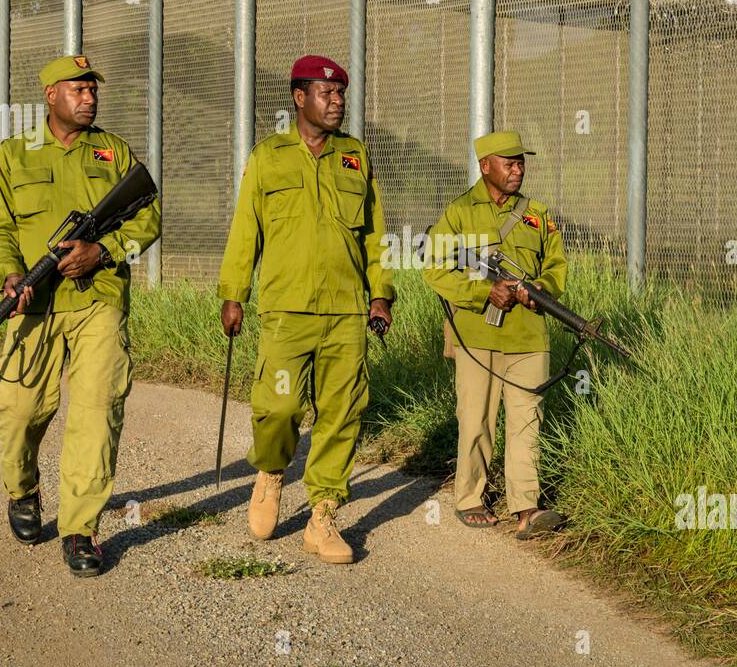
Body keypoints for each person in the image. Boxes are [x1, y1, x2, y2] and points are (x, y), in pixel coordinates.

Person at [0, 54, 162, 577]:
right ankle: (23, 489)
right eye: (78, 90)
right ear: (50, 96)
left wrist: (103, 252)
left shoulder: (113, 151)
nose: (89, 98)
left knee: (96, 411)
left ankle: (81, 527)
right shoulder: (16, 154)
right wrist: (11, 276)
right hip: (34, 304)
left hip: (98, 301)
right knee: (18, 411)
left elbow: (146, 215)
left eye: (92, 90)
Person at [217, 55, 394, 565]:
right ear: (300, 98)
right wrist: (234, 295)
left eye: (341, 94)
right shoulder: (268, 157)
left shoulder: (355, 157)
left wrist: (380, 292)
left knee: (342, 412)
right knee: (279, 407)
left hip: (345, 311)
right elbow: (244, 231)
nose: (337, 102)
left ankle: (323, 514)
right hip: (285, 308)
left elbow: (374, 235)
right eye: (326, 93)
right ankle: (271, 472)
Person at [422, 131, 567, 538]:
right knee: (476, 419)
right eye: (509, 162)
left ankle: (527, 508)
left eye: (521, 162)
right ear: (485, 166)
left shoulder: (538, 215)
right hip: (477, 336)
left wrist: (542, 289)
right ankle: (469, 497)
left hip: (528, 337)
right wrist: (486, 290)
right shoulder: (458, 214)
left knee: (527, 422)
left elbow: (556, 267)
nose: (518, 169)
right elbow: (435, 270)